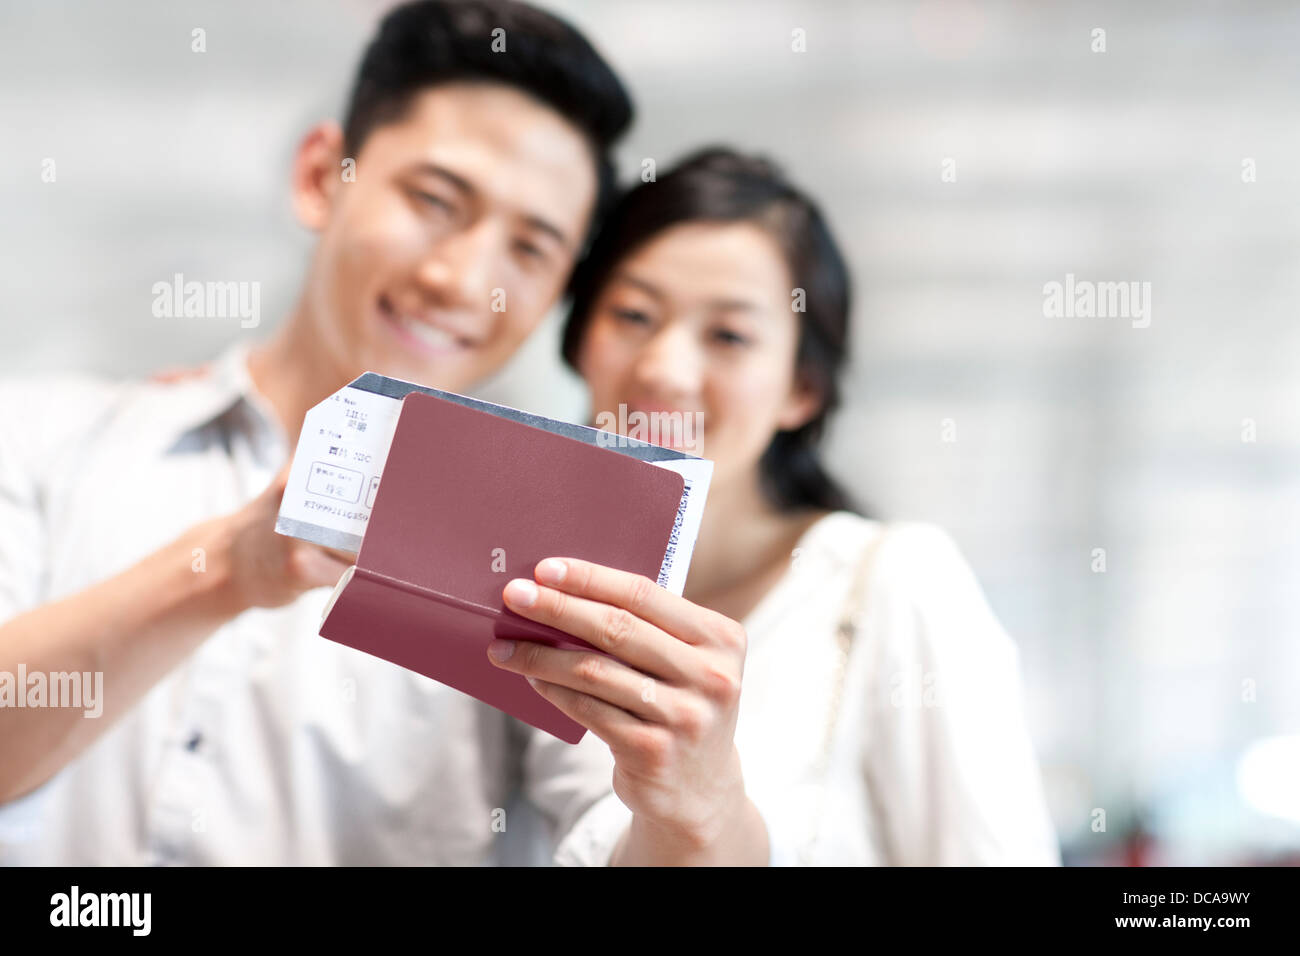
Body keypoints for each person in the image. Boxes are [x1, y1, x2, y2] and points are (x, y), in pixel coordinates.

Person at [0, 0, 638, 865]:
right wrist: (228, 571)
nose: (461, 280)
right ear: (319, 178)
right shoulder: (45, 437)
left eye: (531, 249)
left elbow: (618, 835)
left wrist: (701, 800)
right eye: (436, 201)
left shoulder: (548, 566)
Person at [485, 148, 1062, 865]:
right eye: (632, 314)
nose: (664, 368)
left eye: (729, 335)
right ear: (580, 344)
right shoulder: (537, 595)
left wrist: (709, 808)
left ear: (802, 391)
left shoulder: (898, 583)